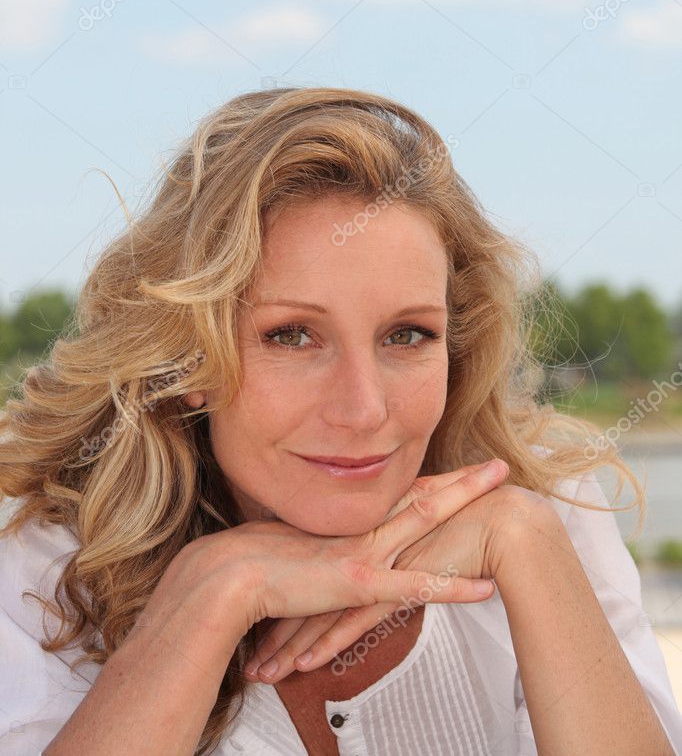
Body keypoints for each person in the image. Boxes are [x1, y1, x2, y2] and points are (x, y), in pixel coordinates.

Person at [0, 85, 680, 756]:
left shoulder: (549, 517)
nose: (364, 409)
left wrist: (526, 539)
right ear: (188, 364)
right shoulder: (37, 566)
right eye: (292, 335)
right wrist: (216, 591)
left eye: (407, 335)